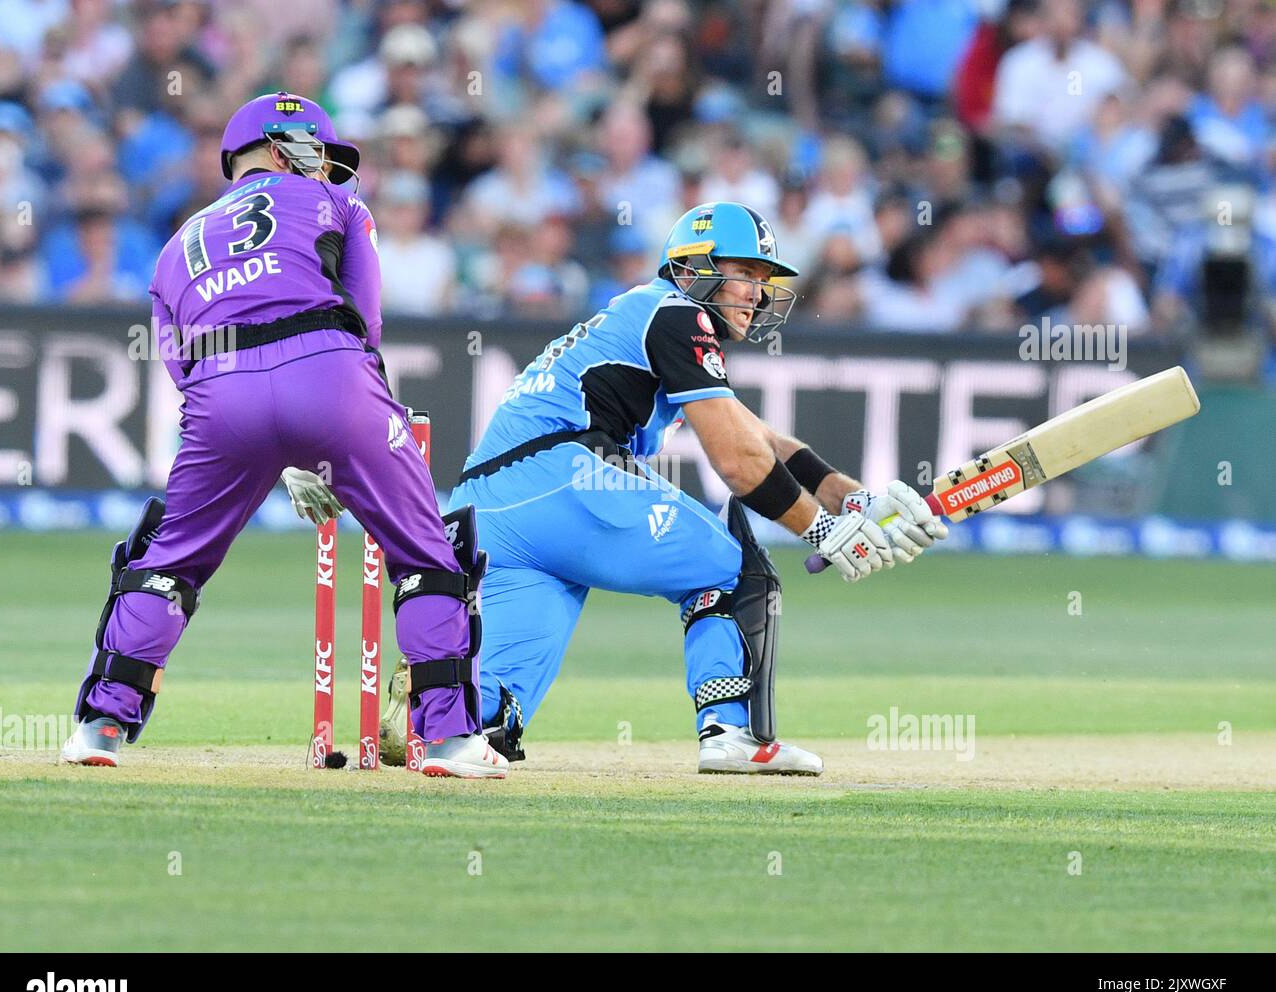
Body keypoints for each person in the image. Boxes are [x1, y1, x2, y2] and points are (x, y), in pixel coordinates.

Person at [383, 202, 948, 775]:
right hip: (565, 474)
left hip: (486, 507)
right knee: (732, 571)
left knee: (488, 726)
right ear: (691, 268)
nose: (757, 292)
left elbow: (760, 438)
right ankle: (732, 733)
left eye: (763, 279)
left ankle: (439, 723)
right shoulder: (679, 315)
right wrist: (824, 531)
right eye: (745, 273)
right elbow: (737, 461)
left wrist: (853, 499)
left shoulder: (649, 315)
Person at [60, 92, 505, 779]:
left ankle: (99, 727)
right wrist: (330, 434)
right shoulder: (341, 207)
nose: (329, 171)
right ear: (281, 148)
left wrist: (271, 441)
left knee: (167, 562)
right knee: (428, 554)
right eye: (320, 156)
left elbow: (178, 363)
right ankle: (449, 740)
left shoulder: (175, 244)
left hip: (220, 394)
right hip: (331, 372)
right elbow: (366, 321)